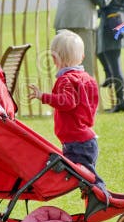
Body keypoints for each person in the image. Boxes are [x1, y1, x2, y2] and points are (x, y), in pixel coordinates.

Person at [27, 30, 100, 175]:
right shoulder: (86, 78)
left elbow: (67, 102)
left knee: (89, 180)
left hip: (77, 143)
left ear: (54, 59)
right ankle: (97, 195)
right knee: (84, 179)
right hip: (84, 140)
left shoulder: (66, 79)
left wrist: (43, 96)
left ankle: (102, 195)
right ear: (82, 56)